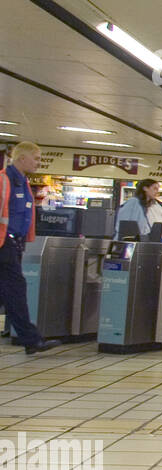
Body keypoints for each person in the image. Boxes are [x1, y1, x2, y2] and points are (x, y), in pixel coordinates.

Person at [0, 142, 60, 354]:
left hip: (14, 243)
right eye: (36, 158)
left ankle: (30, 340)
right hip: (3, 243)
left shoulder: (23, 183)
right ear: (22, 158)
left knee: (11, 291)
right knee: (16, 289)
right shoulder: (4, 180)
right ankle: (31, 340)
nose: (38, 163)